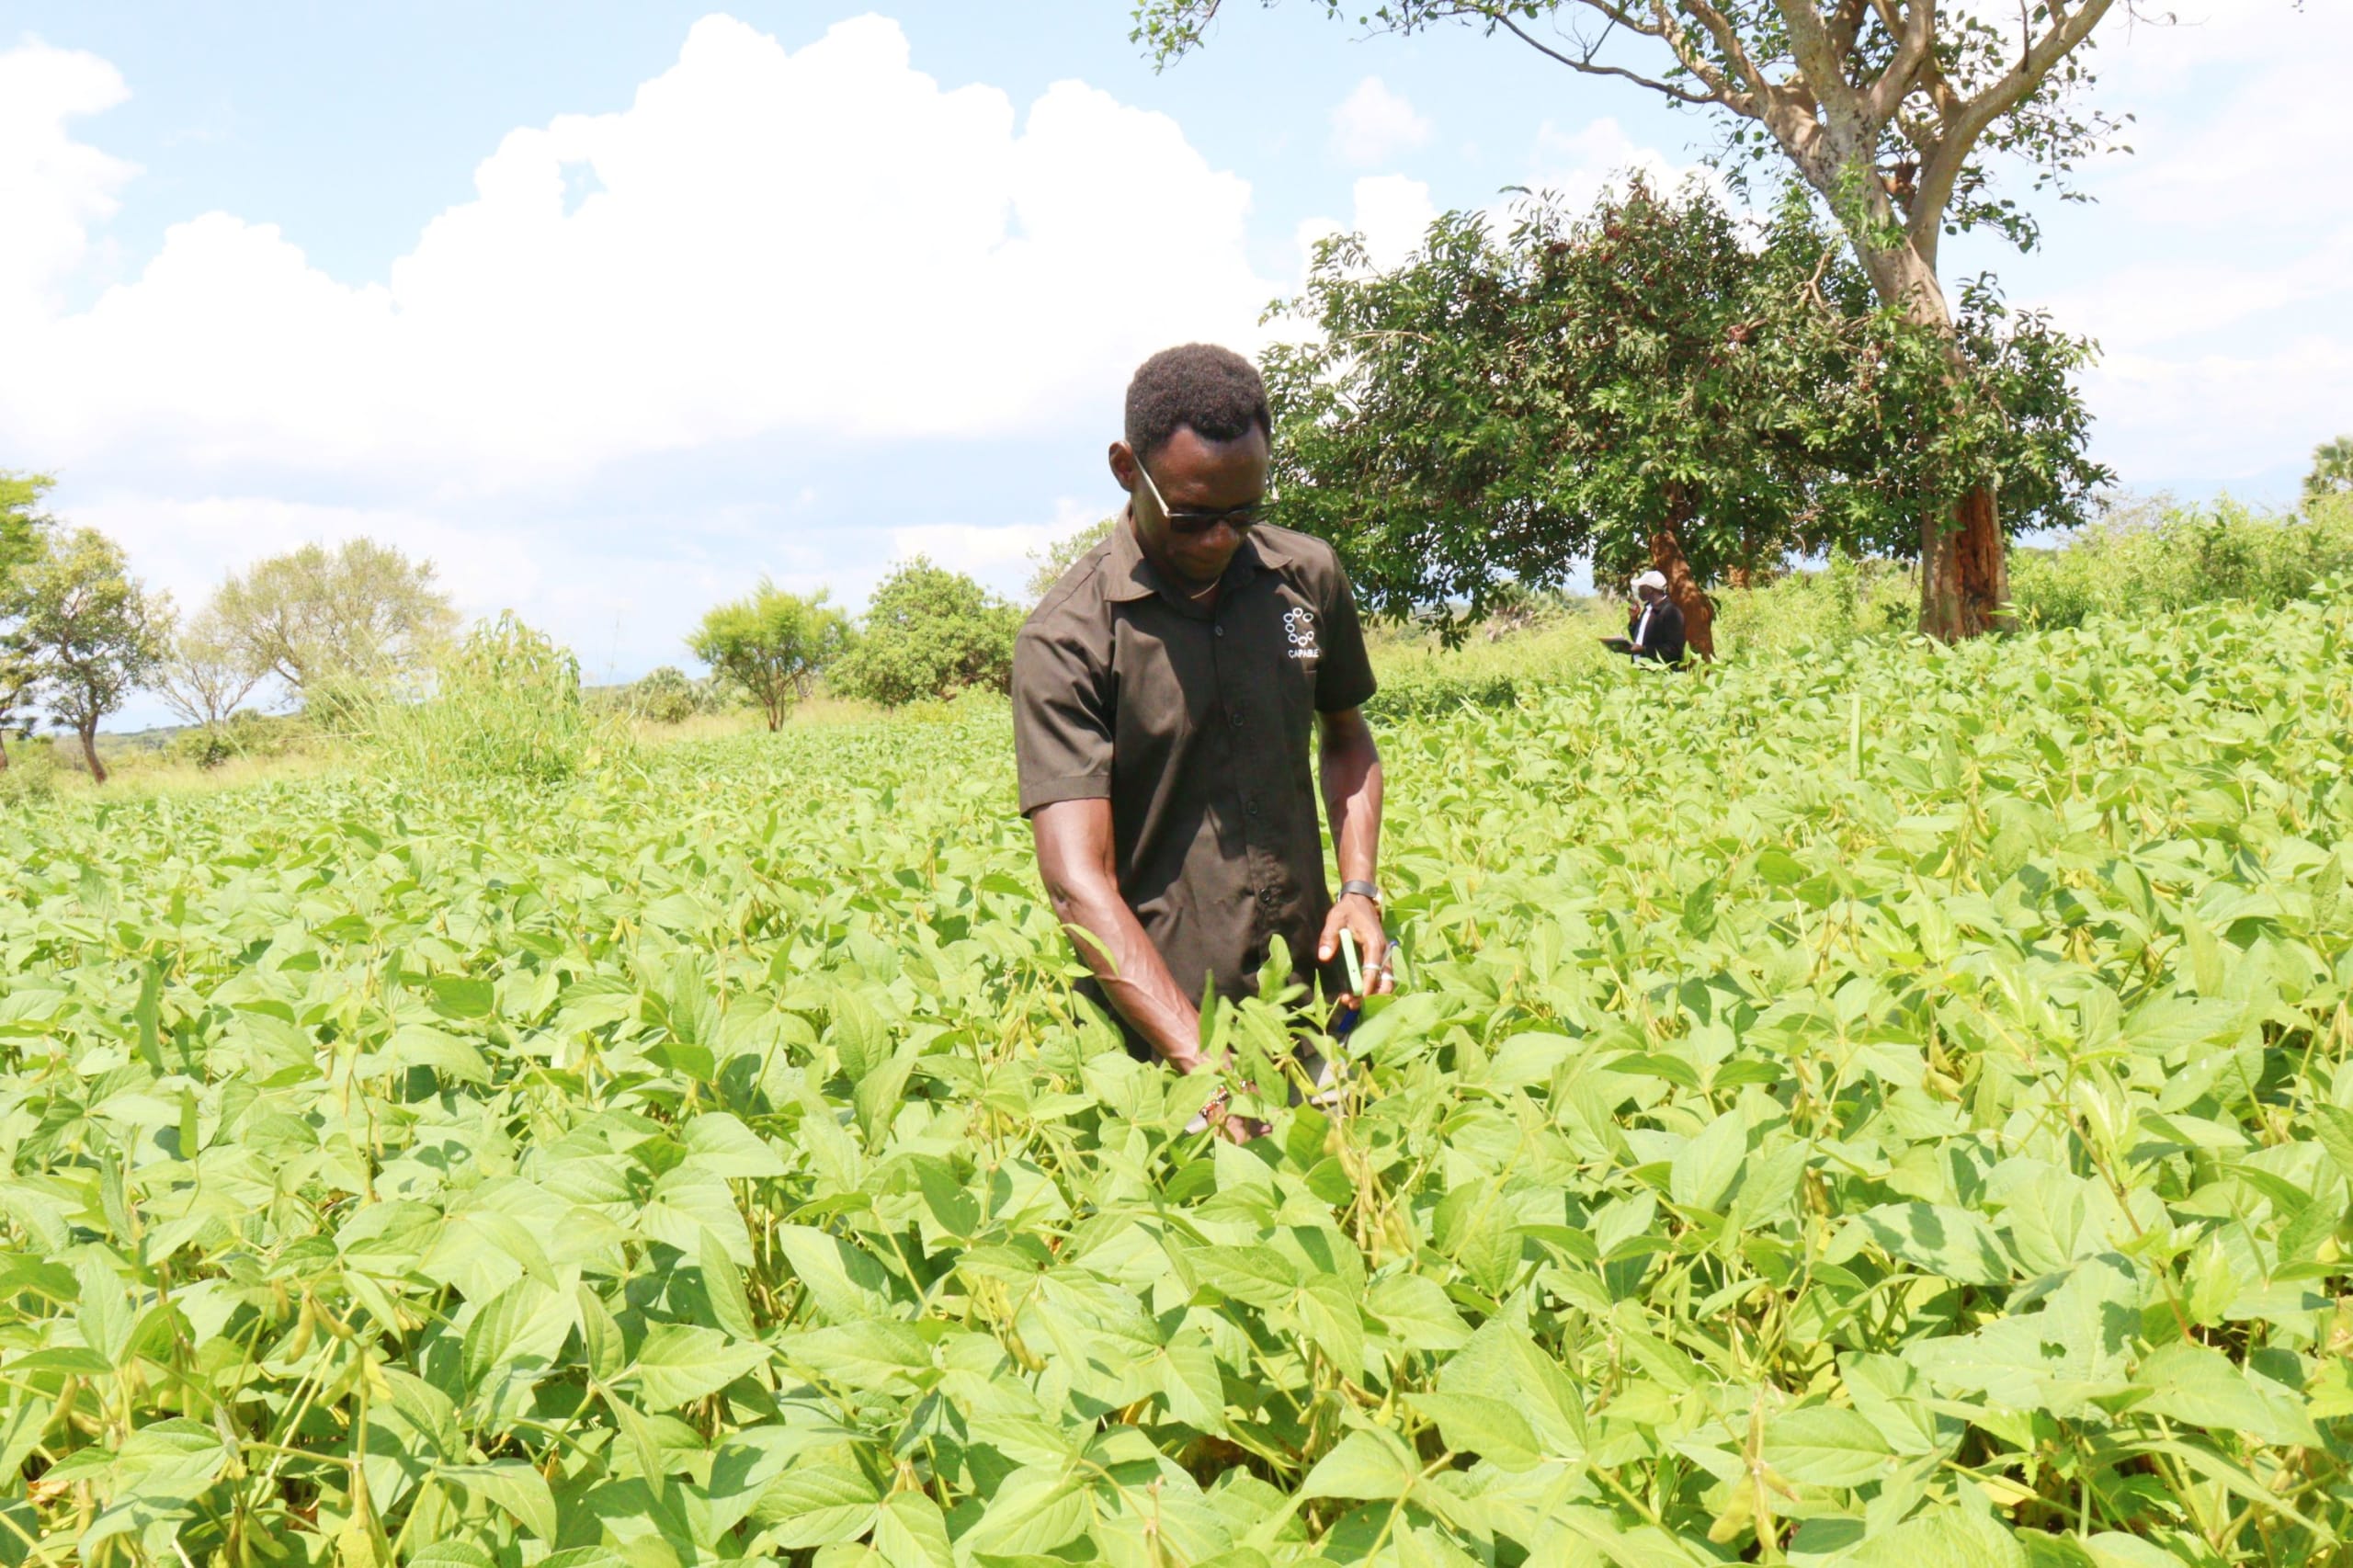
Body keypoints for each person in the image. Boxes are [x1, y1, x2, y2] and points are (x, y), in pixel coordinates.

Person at [1013, 344, 1392, 1131]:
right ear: (1126, 467)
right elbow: (1076, 882)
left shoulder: (1307, 577)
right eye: (1192, 515)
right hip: (1165, 1034)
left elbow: (1347, 735)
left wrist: (1358, 889)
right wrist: (1201, 1066)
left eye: (1243, 512)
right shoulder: (1069, 639)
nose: (1221, 538)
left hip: (1312, 1002)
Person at [1608, 569, 1686, 663]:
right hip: (1640, 670)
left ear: (1649, 590)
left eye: (1641, 587)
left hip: (1660, 673)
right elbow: (1641, 639)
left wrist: (1643, 650)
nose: (1638, 590)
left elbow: (1675, 650)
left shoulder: (1671, 612)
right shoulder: (1648, 609)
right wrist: (1634, 620)